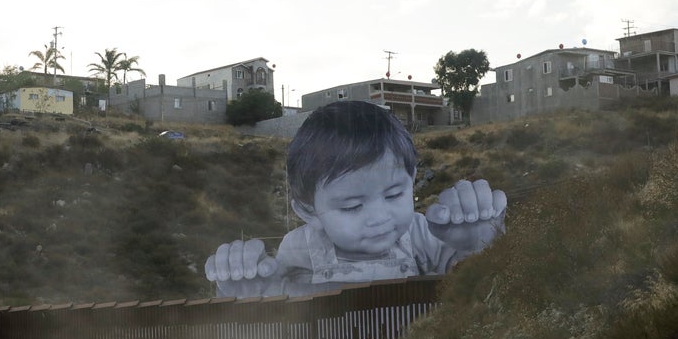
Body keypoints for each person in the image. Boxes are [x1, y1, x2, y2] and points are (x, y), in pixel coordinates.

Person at [204, 100, 506, 298]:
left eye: (394, 194)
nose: (379, 217)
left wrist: (478, 244)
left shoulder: (425, 237)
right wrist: (242, 290)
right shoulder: (299, 250)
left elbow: (481, 292)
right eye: (352, 206)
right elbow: (276, 312)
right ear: (309, 211)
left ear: (412, 178)